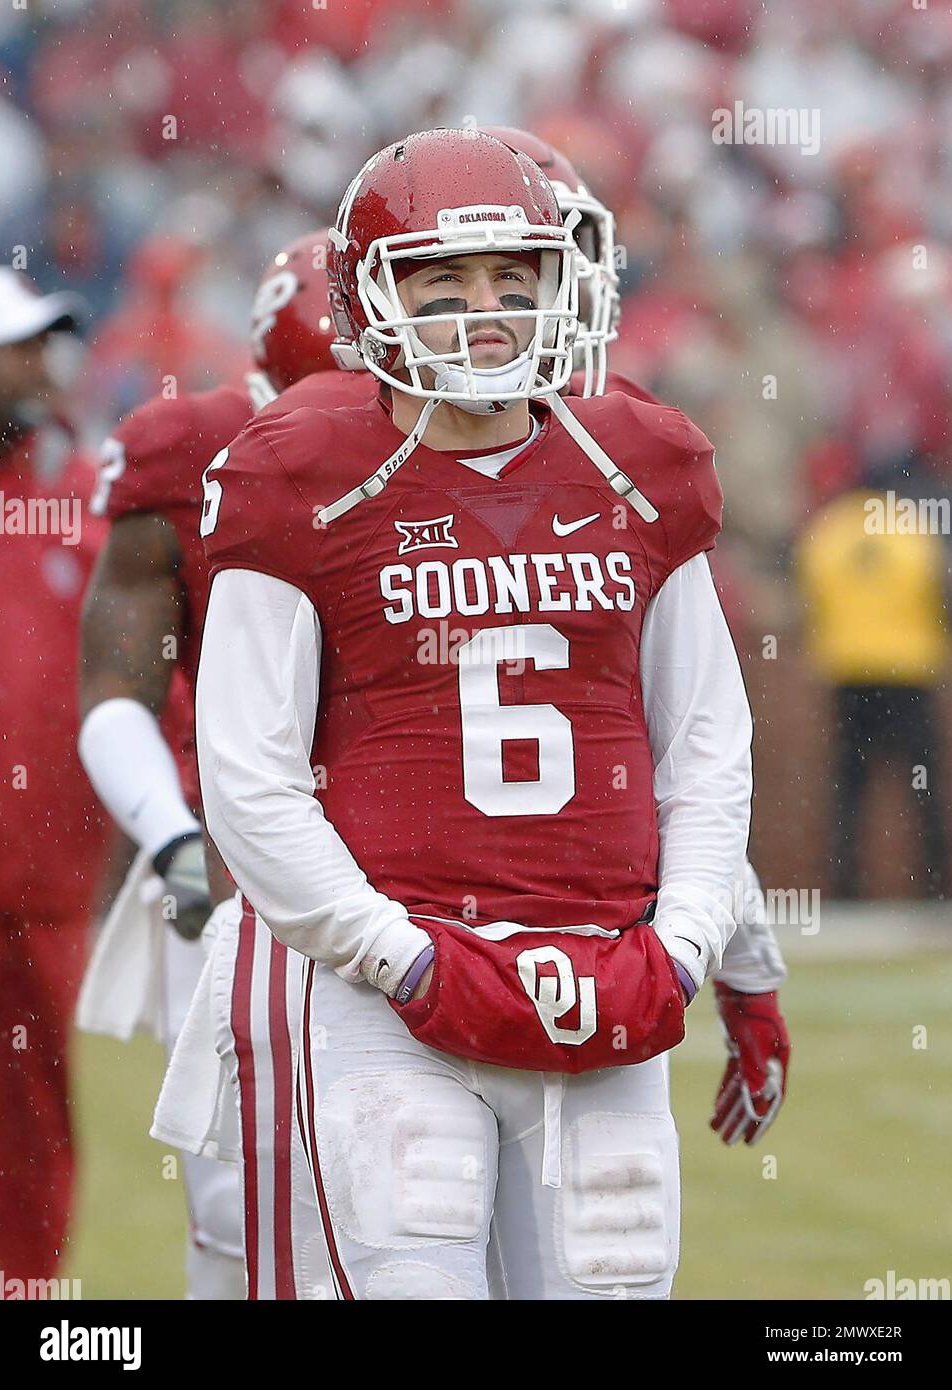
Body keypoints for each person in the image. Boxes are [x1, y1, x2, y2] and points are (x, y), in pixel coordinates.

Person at [194, 128, 754, 1300]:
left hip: (607, 980)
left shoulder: (633, 461)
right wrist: (397, 959)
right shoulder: (302, 473)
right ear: (366, 302)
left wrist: (685, 944)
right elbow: (249, 781)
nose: (484, 312)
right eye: (438, 283)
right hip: (397, 999)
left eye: (513, 279)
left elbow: (704, 749)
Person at [77, 231, 364, 1300]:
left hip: (412, 865)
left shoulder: (459, 439)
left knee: (413, 1199)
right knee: (240, 1212)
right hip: (233, 872)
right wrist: (172, 837)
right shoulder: (183, 447)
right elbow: (113, 693)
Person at [0, 266, 108, 1283]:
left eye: (42, 345)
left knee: (32, 1126)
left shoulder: (80, 501)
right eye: (14, 347)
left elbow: (153, 674)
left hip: (42, 890)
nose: (36, 366)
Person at [798, 463, 952, 899]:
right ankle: (935, 888)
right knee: (923, 787)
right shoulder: (910, 528)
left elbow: (810, 597)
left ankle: (847, 890)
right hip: (909, 673)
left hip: (850, 674)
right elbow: (938, 591)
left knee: (850, 789)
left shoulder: (828, 530)